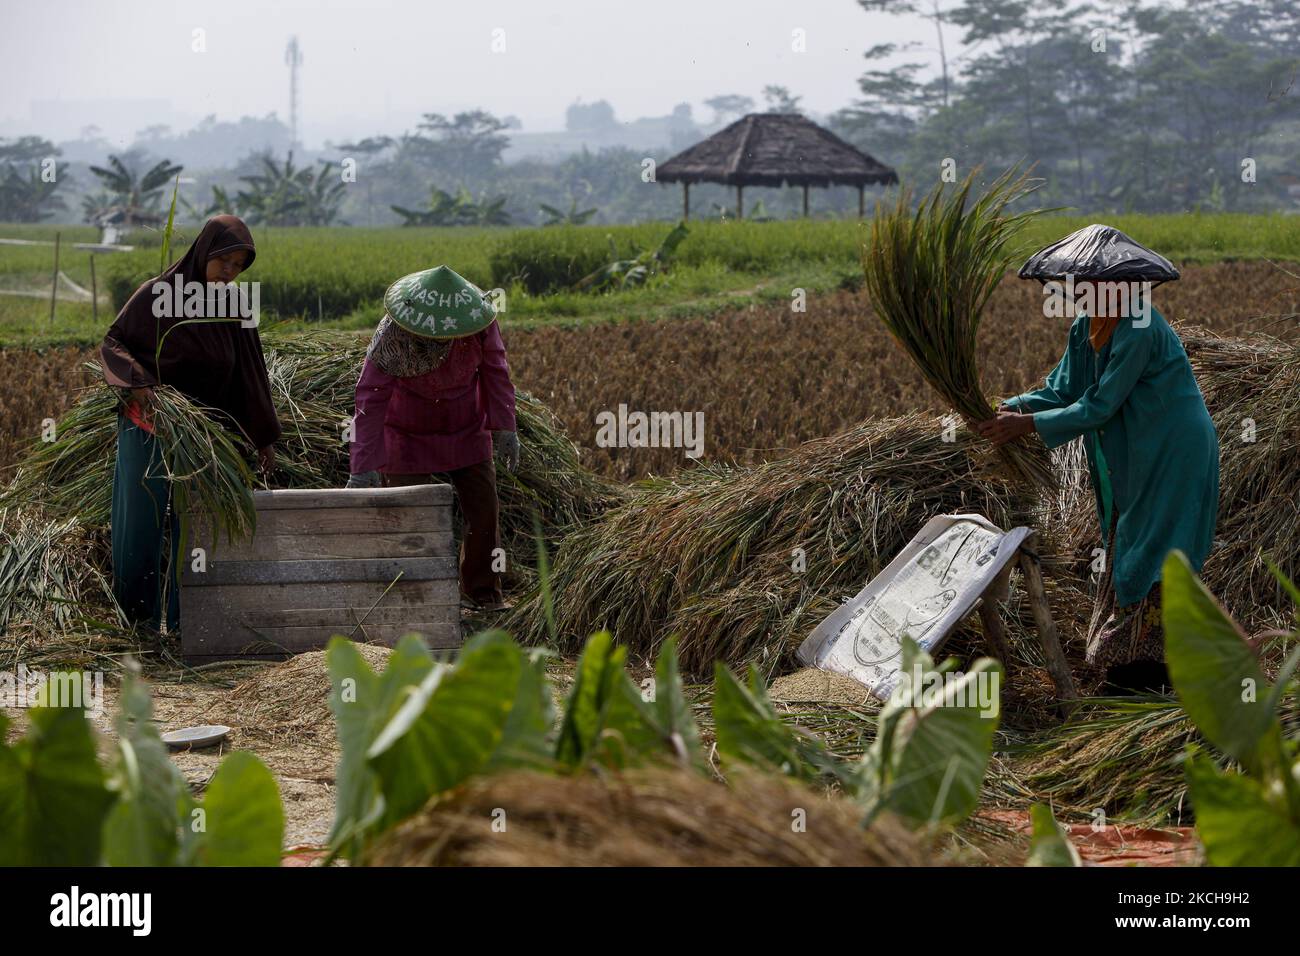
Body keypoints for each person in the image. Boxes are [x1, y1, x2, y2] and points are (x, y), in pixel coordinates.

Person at [974, 225, 1219, 692]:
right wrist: (1011, 408)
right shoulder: (1088, 325)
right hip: (1135, 452)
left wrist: (1026, 427)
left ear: (1124, 285)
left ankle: (1149, 669)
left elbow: (1101, 405)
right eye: (1078, 286)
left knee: (1156, 549)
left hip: (1172, 449)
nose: (1081, 294)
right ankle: (1138, 664)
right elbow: (1062, 389)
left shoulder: (1140, 325)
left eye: (1093, 285)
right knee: (1131, 542)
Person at [100, 215, 281, 634]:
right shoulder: (157, 294)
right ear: (204, 252)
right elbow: (114, 342)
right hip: (150, 424)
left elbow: (251, 372)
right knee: (140, 521)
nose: (229, 273)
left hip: (207, 435)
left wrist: (263, 437)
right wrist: (142, 387)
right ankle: (137, 624)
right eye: (224, 262)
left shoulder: (236, 307)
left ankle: (187, 622)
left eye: (238, 266)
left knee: (196, 525)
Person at [347, 265, 519, 612]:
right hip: (407, 433)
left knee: (484, 512)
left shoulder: (478, 325)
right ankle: (415, 598)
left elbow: (496, 372)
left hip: (466, 427)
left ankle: (481, 592)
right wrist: (362, 465)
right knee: (409, 516)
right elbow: (370, 397)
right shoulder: (392, 338)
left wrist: (505, 427)